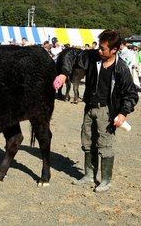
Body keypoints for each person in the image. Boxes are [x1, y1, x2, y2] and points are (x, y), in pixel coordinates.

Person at [54, 29, 138, 193]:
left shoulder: (120, 68)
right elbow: (71, 55)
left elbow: (131, 94)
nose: (99, 51)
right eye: (99, 47)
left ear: (114, 50)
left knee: (105, 145)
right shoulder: (92, 57)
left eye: (103, 49)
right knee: (87, 142)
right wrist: (64, 74)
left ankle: (106, 180)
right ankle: (89, 175)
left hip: (106, 111)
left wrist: (122, 113)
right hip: (89, 108)